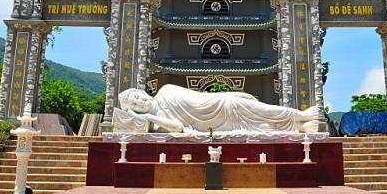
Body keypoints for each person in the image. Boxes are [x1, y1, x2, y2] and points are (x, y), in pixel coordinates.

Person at [113, 84, 319, 134]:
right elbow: (177, 128)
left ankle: (299, 115)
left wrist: (227, 96)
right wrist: (149, 116)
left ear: (142, 91)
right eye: (135, 104)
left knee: (259, 109)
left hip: (220, 103)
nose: (140, 101)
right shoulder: (158, 117)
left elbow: (198, 98)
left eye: (137, 96)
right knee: (258, 126)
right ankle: (298, 128)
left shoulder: (165, 90)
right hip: (212, 125)